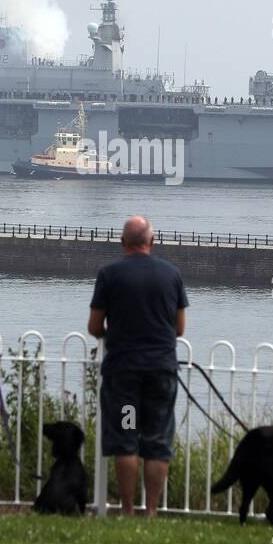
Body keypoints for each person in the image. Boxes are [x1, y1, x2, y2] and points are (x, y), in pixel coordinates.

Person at [88, 215, 188, 517]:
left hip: (123, 374)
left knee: (126, 439)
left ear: (122, 242)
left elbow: (94, 326)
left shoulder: (109, 274)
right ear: (152, 241)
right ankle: (153, 511)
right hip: (160, 371)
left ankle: (128, 510)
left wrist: (112, 335)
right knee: (157, 440)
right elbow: (179, 329)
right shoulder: (172, 275)